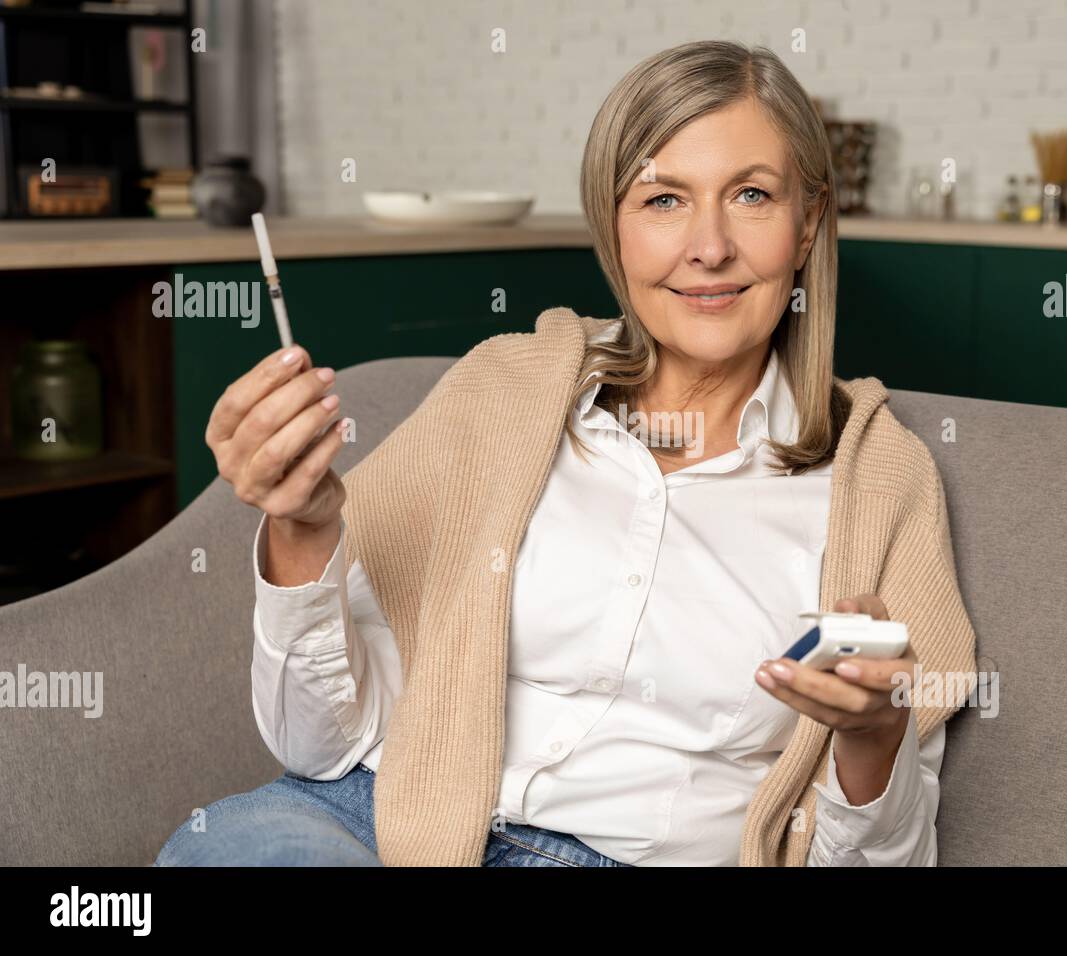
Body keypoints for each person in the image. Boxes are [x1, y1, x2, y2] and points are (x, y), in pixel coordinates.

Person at [155, 39, 976, 868]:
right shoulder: (503, 391)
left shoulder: (877, 479)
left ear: (807, 226)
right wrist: (301, 529)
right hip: (369, 818)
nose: (710, 246)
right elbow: (318, 747)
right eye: (663, 200)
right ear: (612, 226)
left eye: (752, 195)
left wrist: (872, 739)